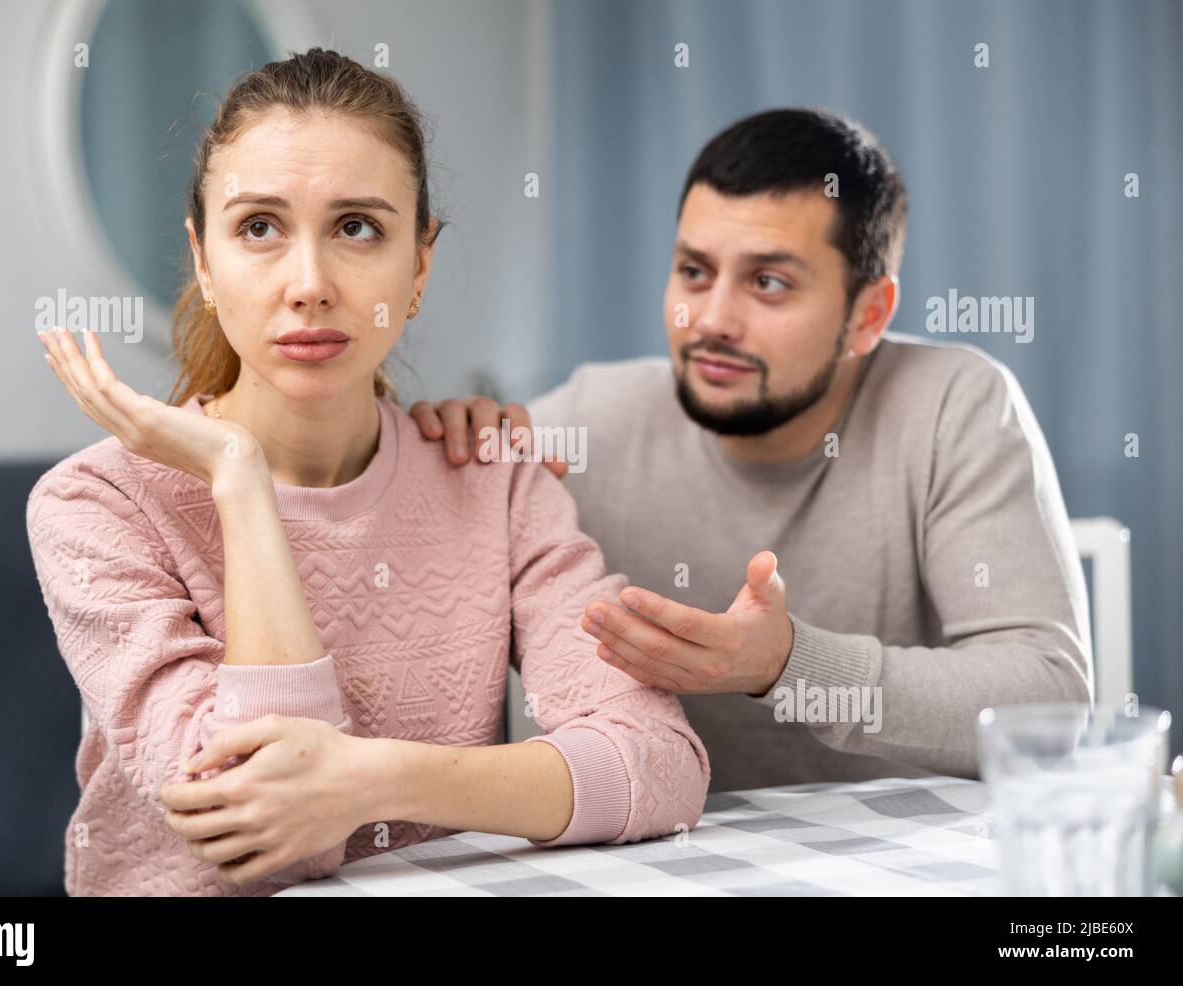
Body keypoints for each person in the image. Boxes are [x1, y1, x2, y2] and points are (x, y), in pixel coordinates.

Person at [25, 47, 709, 897]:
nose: (309, 285)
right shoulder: (93, 505)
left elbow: (661, 768)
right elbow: (264, 839)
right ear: (204, 261)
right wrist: (238, 481)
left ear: (418, 267)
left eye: (357, 227)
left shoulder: (490, 480)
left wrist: (371, 779)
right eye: (259, 227)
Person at [411, 108, 1093, 791]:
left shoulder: (954, 406)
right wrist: (441, 449)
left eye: (768, 282)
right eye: (695, 272)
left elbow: (1052, 700)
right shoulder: (583, 426)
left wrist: (790, 666)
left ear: (869, 316)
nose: (711, 321)